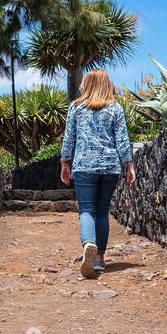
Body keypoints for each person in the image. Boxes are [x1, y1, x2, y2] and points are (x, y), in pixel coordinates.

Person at [59, 70, 137, 278]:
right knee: (102, 211)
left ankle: (89, 244)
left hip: (84, 165)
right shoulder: (115, 108)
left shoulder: (76, 107)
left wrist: (65, 162)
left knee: (86, 209)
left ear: (86, 85)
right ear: (106, 85)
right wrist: (129, 165)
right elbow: (122, 139)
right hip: (110, 166)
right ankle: (100, 258)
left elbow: (69, 138)